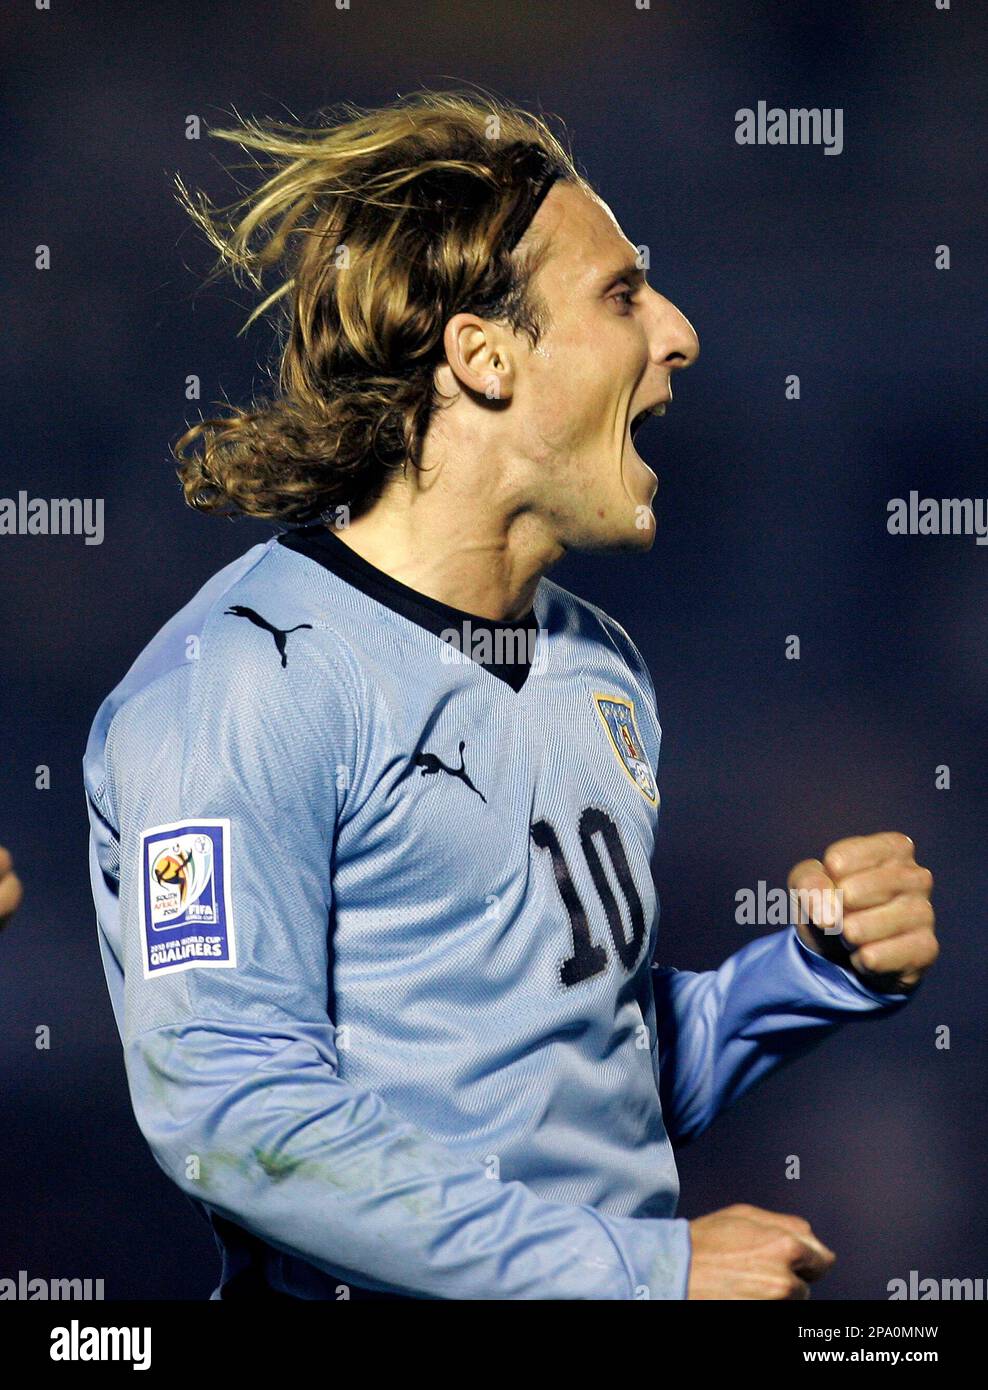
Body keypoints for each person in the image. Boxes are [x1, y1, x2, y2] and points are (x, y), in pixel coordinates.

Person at [84, 90, 937, 1300]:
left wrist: (806, 975)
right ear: (483, 356)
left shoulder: (602, 670)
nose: (680, 333)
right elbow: (234, 1114)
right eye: (622, 295)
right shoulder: (238, 681)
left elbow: (572, 1078)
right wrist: (641, 1271)